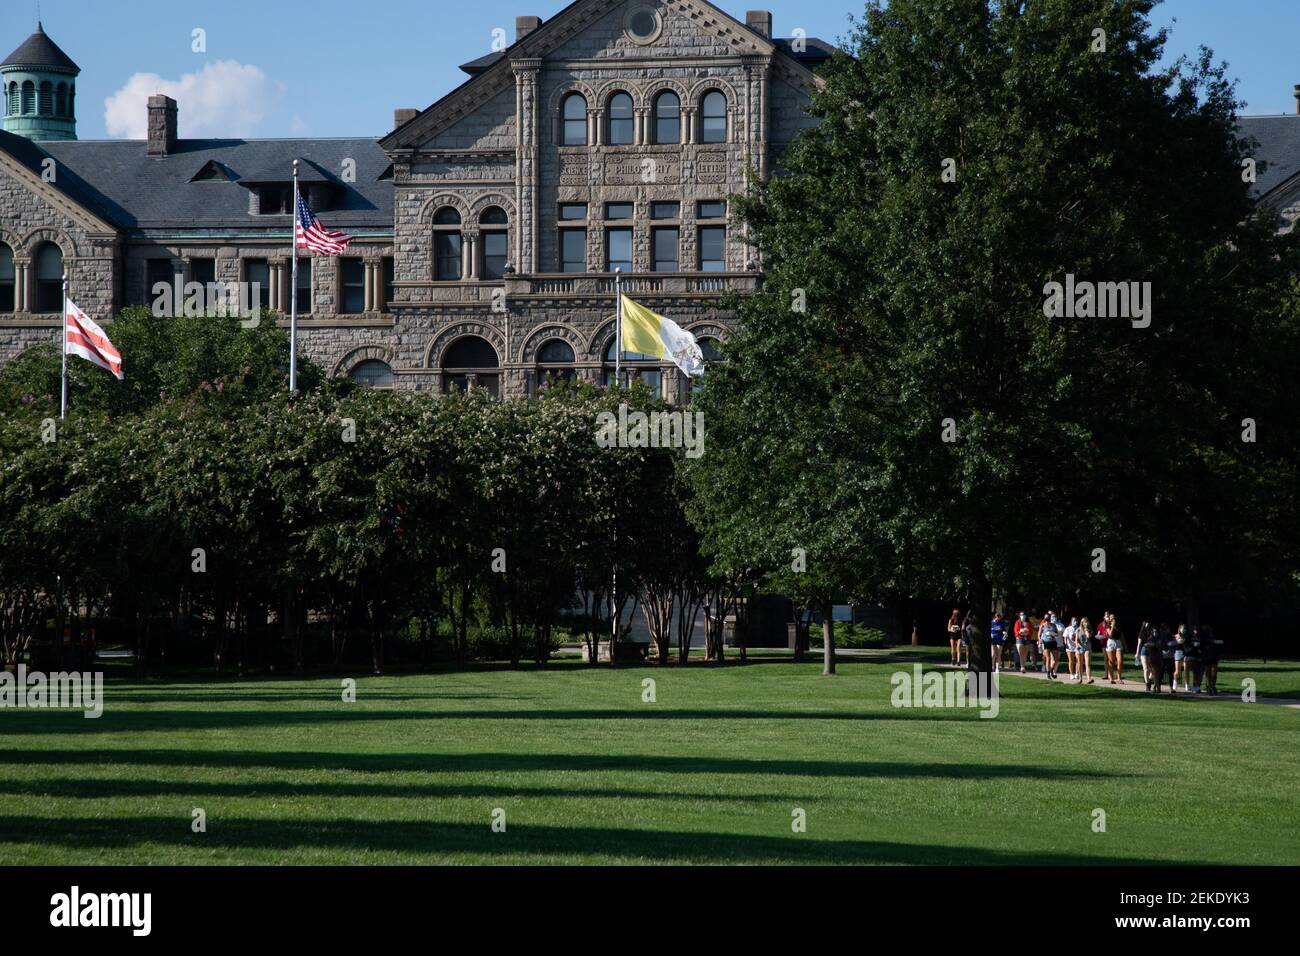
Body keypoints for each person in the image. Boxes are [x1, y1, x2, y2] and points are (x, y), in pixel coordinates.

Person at [1038, 611, 1061, 680]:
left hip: (1053, 642)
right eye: (1047, 618)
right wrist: (1040, 640)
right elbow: (1039, 635)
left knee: (1056, 659)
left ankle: (1051, 670)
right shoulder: (1043, 625)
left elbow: (1057, 634)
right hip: (1046, 642)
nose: (1048, 619)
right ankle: (1048, 673)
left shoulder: (1053, 625)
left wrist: (1053, 634)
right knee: (1048, 658)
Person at [1105, 614, 1125, 684]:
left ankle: (1119, 678)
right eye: (1111, 618)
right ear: (1109, 619)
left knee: (1119, 660)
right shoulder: (1108, 626)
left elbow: (1121, 635)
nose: (1113, 619)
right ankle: (1111, 678)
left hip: (1118, 642)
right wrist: (1112, 626)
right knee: (1111, 661)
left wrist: (1125, 645)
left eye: (1114, 617)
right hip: (1111, 642)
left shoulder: (1119, 625)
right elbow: (1110, 634)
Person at [1185, 626, 1206, 693]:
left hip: (1198, 657)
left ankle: (1196, 686)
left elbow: (1203, 646)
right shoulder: (1190, 637)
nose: (1196, 631)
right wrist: (1193, 646)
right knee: (1190, 670)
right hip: (1191, 656)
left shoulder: (1201, 637)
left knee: (1197, 672)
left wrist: (1200, 650)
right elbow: (1186, 646)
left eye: (1197, 630)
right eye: (1195, 630)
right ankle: (1189, 685)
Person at [1203, 624, 1222, 696]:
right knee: (1208, 672)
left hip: (1214, 655)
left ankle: (1212, 686)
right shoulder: (1204, 637)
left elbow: (1218, 644)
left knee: (1214, 672)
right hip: (1207, 655)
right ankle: (1209, 686)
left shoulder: (1214, 636)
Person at [1136, 622, 1155, 691]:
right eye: (1146, 623)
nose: (1147, 624)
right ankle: (1147, 684)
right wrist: (1137, 654)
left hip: (1151, 651)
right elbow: (1139, 644)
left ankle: (1149, 680)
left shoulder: (1152, 632)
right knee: (1146, 668)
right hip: (1144, 651)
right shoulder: (1141, 633)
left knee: (1153, 669)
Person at [1077, 616, 1095, 683]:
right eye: (1082, 622)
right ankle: (1080, 679)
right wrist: (1078, 645)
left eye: (1085, 622)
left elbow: (1088, 636)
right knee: (1080, 663)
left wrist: (1086, 629)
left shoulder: (1089, 629)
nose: (1084, 623)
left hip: (1087, 647)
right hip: (1080, 647)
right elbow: (1077, 640)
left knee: (1087, 664)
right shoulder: (1078, 630)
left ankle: (1089, 679)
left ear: (1087, 622)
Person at [1172, 624, 1189, 692]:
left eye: (1185, 628)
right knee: (1177, 671)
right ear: (1179, 629)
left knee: (1186, 669)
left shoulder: (1187, 636)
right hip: (1178, 653)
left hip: (1185, 653)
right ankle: (1175, 683)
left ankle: (1187, 685)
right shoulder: (1176, 636)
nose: (1184, 630)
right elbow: (1173, 644)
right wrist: (1177, 641)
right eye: (1182, 628)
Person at [1062, 616, 1079, 680]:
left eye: (1076, 621)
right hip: (1069, 646)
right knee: (1071, 661)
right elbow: (1065, 637)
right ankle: (1072, 674)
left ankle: (1077, 673)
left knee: (1078, 660)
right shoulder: (1068, 629)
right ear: (1071, 622)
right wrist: (1066, 644)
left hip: (1077, 646)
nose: (1075, 622)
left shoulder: (1079, 628)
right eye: (1073, 621)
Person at [1161, 624, 1177, 693]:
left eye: (1167, 629)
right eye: (1165, 629)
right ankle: (1157, 687)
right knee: (1160, 673)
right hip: (1162, 657)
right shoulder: (1160, 637)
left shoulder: (1171, 636)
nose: (1166, 631)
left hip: (1170, 657)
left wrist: (1170, 643)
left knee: (1171, 673)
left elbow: (1175, 642)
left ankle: (1171, 688)